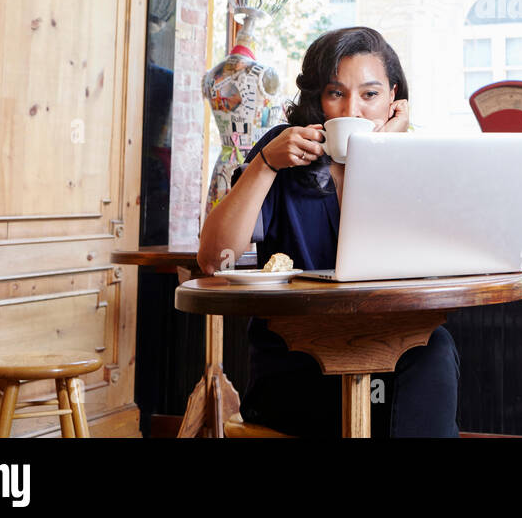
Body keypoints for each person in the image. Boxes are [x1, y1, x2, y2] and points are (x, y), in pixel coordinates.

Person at [197, 26, 460, 437]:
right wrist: (264, 164)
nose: (350, 110)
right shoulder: (280, 151)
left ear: (394, 97)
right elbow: (214, 259)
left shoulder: (412, 158)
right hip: (298, 349)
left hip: (389, 344)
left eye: (370, 95)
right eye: (336, 93)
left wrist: (383, 157)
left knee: (434, 349)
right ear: (317, 98)